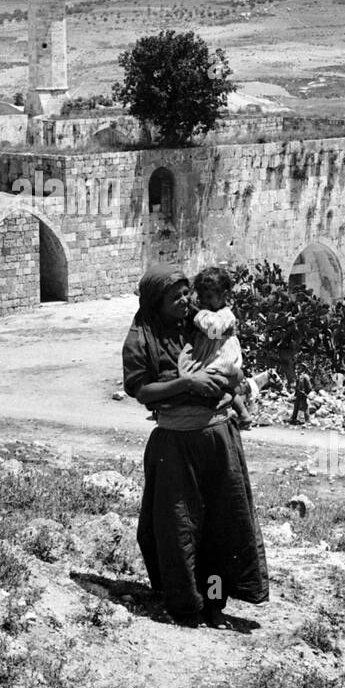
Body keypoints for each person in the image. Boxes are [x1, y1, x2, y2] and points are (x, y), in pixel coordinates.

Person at [122, 266, 269, 630]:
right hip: (174, 444)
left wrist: (232, 378)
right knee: (178, 529)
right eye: (176, 297)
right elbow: (142, 392)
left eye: (186, 293)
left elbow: (228, 353)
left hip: (219, 439)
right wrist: (187, 381)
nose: (185, 301)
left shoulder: (200, 321)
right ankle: (187, 605)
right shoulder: (142, 338)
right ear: (156, 302)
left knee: (221, 528)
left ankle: (215, 603)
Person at [177, 266, 252, 427]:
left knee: (207, 380)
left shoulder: (225, 315)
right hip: (214, 356)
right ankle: (244, 415)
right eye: (202, 297)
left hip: (222, 359)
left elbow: (213, 332)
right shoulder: (211, 312)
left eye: (210, 297)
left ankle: (228, 399)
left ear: (224, 296)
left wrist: (198, 315)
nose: (205, 302)